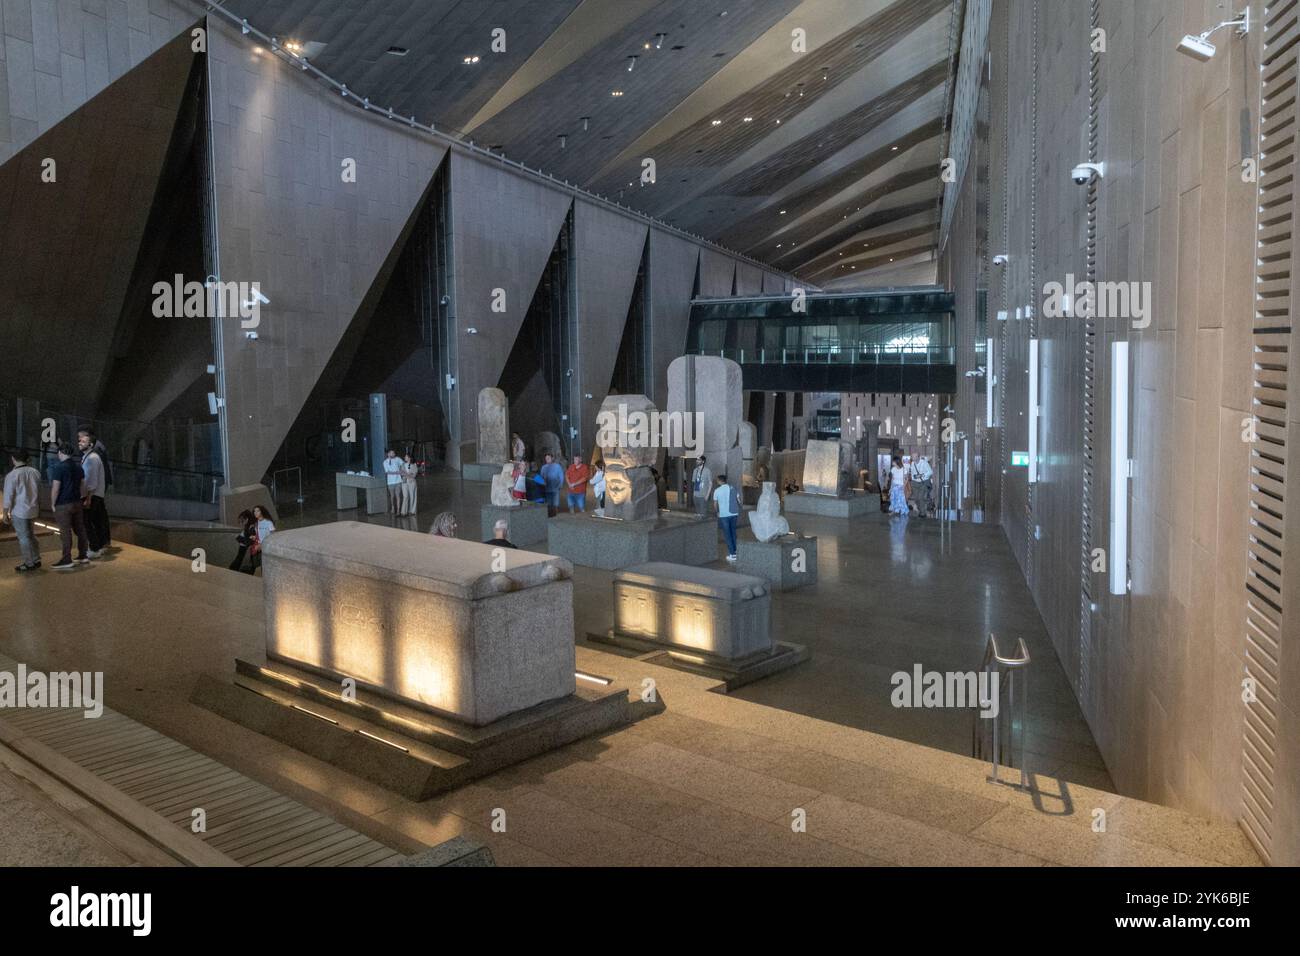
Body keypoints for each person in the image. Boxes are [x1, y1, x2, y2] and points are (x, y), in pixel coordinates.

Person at [48, 442, 90, 570]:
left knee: (65, 532)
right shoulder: (78, 467)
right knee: (80, 529)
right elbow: (83, 485)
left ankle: (67, 559)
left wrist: (53, 503)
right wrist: (83, 498)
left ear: (60, 453)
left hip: (63, 504)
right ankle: (83, 555)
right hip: (77, 502)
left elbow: (56, 488)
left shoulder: (59, 468)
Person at [3, 448, 42, 572]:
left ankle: (28, 562)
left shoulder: (12, 475)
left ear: (13, 459)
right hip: (33, 509)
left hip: (19, 510)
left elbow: (8, 496)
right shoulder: (35, 472)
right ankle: (36, 559)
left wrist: (5, 513)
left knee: (23, 537)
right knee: (31, 534)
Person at [77, 427, 112, 551]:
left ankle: (95, 547)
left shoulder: (92, 457)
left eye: (82, 439)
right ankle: (101, 544)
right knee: (97, 519)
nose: (79, 441)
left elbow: (91, 479)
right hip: (96, 493)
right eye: (79, 439)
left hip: (93, 493)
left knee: (88, 521)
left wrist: (88, 497)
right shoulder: (92, 455)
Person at [713, 474, 740, 562]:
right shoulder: (733, 488)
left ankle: (732, 554)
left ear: (720, 481)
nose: (717, 481)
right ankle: (736, 551)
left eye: (717, 480)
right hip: (734, 513)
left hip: (724, 515)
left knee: (727, 534)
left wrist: (717, 512)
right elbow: (739, 500)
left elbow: (715, 504)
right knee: (733, 532)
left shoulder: (717, 490)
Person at [248, 505, 275, 574]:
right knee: (261, 567)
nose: (255, 513)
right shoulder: (256, 523)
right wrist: (254, 537)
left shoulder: (268, 522)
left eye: (258, 511)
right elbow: (260, 536)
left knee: (267, 568)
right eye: (254, 511)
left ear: (262, 512)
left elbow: (273, 537)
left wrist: (262, 545)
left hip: (267, 547)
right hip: (259, 547)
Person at [230, 509, 257, 573]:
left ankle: (234, 569)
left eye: (242, 521)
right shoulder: (249, 527)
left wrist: (240, 539)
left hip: (248, 547)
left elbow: (249, 541)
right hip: (245, 546)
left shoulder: (252, 527)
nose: (241, 523)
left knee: (240, 558)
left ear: (247, 519)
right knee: (240, 558)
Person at [539, 453, 564, 517]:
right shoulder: (543, 467)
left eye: (548, 458)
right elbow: (541, 477)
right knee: (548, 502)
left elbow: (561, 476)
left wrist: (560, 485)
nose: (547, 460)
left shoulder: (557, 466)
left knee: (555, 502)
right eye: (546, 459)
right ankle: (550, 513)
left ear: (552, 458)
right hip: (547, 488)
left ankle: (556, 514)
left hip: (555, 487)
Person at [382, 448, 404, 514]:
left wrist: (401, 471)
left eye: (393, 453)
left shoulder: (398, 459)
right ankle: (393, 507)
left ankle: (398, 510)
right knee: (392, 496)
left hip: (398, 481)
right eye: (391, 453)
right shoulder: (385, 462)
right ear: (388, 454)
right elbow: (387, 472)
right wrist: (397, 472)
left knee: (398, 496)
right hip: (390, 482)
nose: (393, 454)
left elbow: (403, 464)